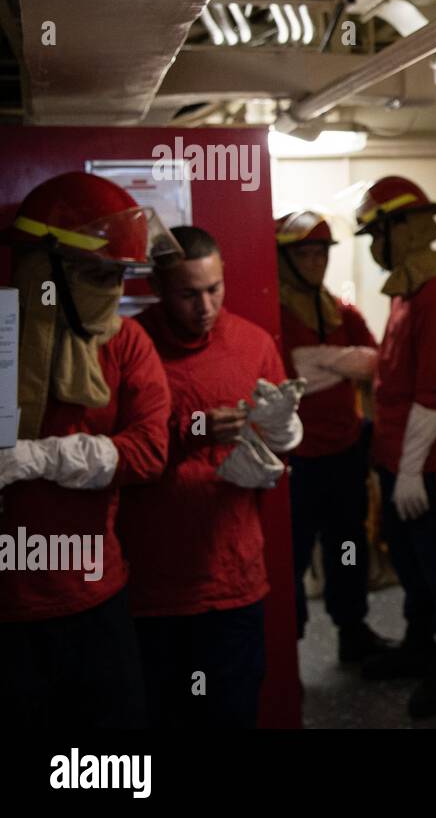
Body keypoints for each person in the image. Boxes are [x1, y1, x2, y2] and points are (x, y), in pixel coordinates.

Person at [0, 172, 175, 728]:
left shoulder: (125, 343)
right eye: (99, 276)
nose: (114, 293)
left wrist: (40, 456)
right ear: (45, 270)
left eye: (120, 277)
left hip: (93, 599)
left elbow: (148, 453)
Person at [117, 226, 304, 728]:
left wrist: (279, 442)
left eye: (214, 289)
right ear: (156, 286)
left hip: (234, 578)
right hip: (155, 590)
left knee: (233, 713)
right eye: (188, 293)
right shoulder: (132, 346)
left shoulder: (253, 343)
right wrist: (190, 431)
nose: (205, 306)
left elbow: (280, 438)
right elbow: (120, 457)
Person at [353, 176, 436, 720]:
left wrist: (409, 473)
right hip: (395, 458)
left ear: (399, 229)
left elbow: (432, 392)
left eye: (377, 232)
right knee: (410, 561)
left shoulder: (435, 291)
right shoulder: (408, 286)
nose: (375, 245)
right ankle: (418, 646)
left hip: (422, 467)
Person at [275, 210, 393, 662]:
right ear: (285, 259)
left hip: (345, 452)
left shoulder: (339, 310)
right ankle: (290, 648)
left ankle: (353, 630)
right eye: (303, 253)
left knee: (348, 547)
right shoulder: (275, 312)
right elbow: (288, 373)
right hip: (295, 460)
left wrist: (320, 361)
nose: (315, 262)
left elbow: (374, 361)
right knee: (293, 556)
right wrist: (339, 363)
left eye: (321, 252)